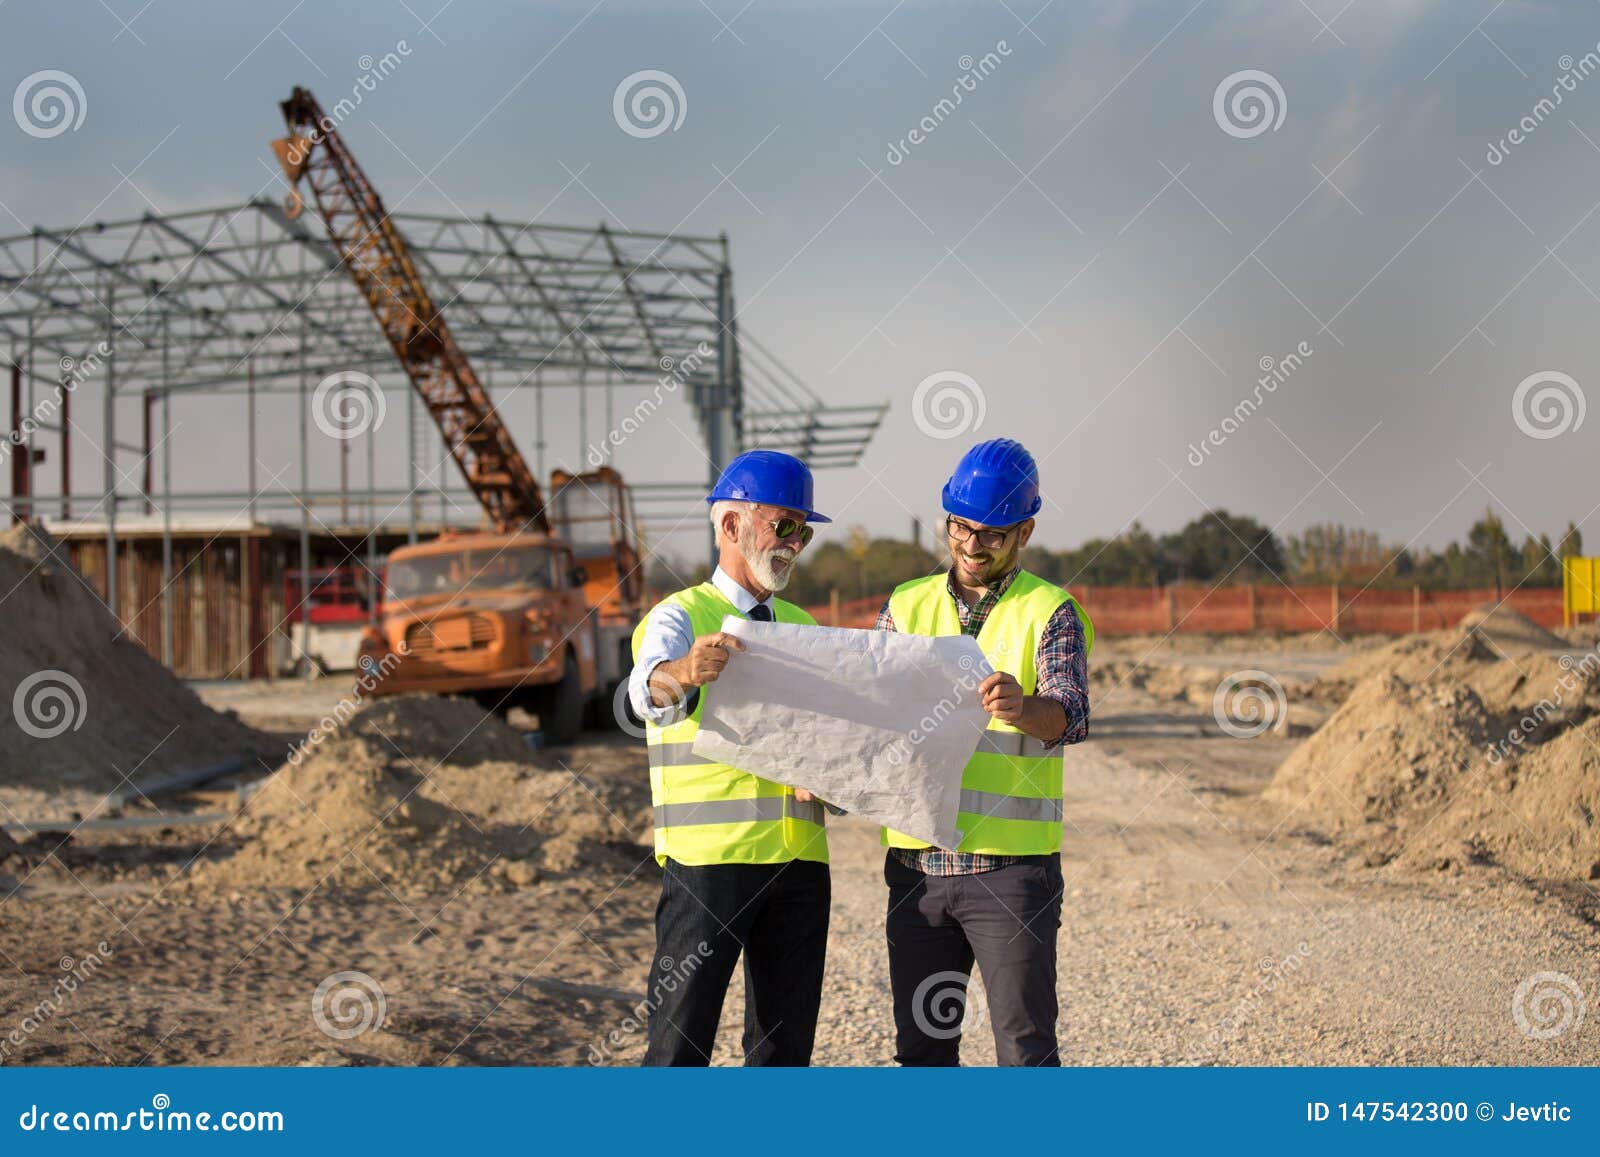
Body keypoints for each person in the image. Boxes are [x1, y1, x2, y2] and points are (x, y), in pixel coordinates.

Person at [875, 437, 1093, 1066]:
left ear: (1024, 530)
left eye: (992, 534)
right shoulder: (905, 604)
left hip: (1011, 874)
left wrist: (1024, 706)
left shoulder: (1051, 611)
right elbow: (870, 706)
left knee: (1023, 1052)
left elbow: (1071, 715)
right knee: (922, 1054)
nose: (972, 546)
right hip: (917, 871)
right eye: (961, 527)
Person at [628, 449, 832, 1066]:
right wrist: (686, 671)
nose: (795, 543)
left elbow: (826, 740)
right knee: (679, 1048)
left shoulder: (802, 624)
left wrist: (834, 780)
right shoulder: (679, 617)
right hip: (709, 869)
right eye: (784, 525)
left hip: (798, 867)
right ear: (730, 526)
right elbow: (646, 695)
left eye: (804, 530)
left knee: (782, 1053)